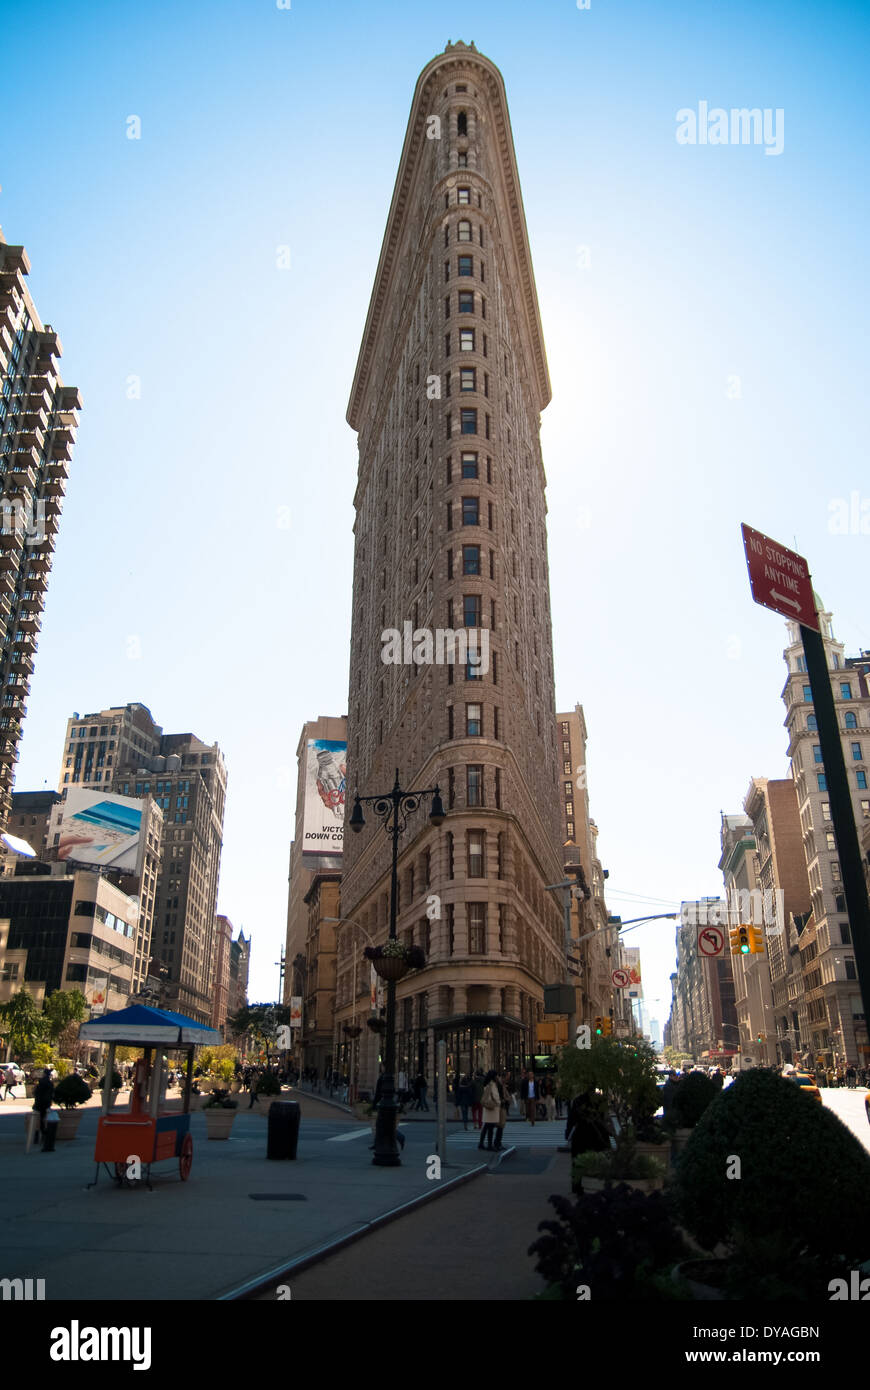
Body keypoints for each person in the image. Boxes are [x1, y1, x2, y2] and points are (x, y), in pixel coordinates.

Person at [564, 1090, 610, 1159]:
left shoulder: (578, 1101)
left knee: (581, 1162)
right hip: (598, 1134)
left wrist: (568, 1133)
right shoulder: (601, 1100)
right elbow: (606, 1119)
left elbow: (571, 1120)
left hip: (582, 1134)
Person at [479, 1071, 501, 1151]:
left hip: (487, 1107)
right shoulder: (492, 1085)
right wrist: (499, 1103)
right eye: (496, 1076)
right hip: (492, 1107)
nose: (497, 1077)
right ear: (493, 1077)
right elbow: (495, 1096)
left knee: (486, 1126)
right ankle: (489, 1145)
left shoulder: (487, 1083)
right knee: (490, 1127)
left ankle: (481, 1143)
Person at [33, 1068, 55, 1142]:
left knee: (38, 1118)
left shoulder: (41, 1082)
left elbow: (36, 1092)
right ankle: (43, 1133)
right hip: (47, 1102)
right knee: (44, 1118)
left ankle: (38, 1135)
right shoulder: (50, 1083)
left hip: (39, 1102)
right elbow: (52, 1093)